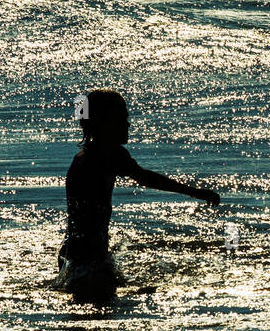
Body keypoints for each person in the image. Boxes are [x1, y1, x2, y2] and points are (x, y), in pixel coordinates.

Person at [58, 89, 220, 304]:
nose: (128, 125)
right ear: (104, 122)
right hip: (90, 255)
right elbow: (145, 178)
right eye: (122, 119)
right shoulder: (108, 153)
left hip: (72, 251)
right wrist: (194, 192)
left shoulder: (86, 155)